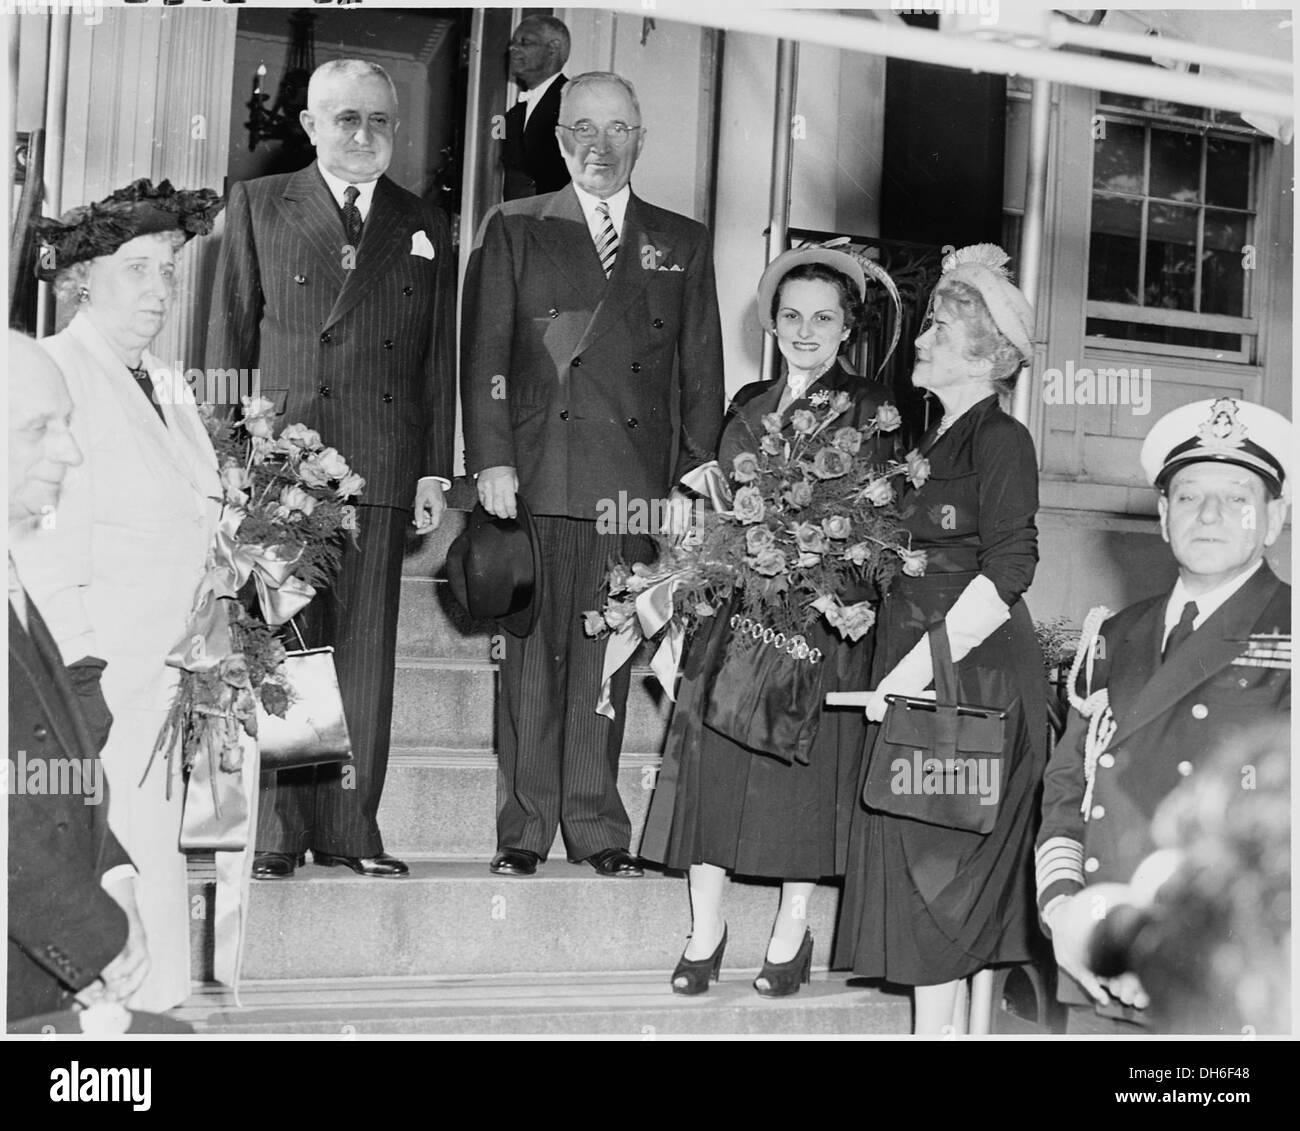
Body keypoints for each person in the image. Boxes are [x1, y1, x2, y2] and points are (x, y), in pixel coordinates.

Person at [462, 71, 725, 879]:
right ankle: (526, 824)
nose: (597, 145)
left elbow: (699, 371)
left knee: (609, 652)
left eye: (616, 129)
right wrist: (492, 457)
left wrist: (692, 479)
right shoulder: (515, 226)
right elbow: (487, 357)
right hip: (538, 471)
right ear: (558, 137)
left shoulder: (681, 240)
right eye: (581, 127)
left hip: (633, 483)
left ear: (640, 140)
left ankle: (596, 821)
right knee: (532, 654)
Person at [206, 59, 457, 880]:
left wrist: (430, 469)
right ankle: (278, 829)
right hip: (284, 463)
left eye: (380, 120)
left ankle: (352, 827)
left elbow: (434, 358)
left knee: (365, 648)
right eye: (345, 119)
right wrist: (227, 460)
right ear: (310, 126)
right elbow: (229, 340)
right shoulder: (257, 205)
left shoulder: (425, 220)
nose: (363, 134)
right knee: (280, 641)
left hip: (382, 459)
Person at [638, 247, 900, 995]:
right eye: (791, 317)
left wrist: (820, 579)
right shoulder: (749, 403)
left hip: (814, 619)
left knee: (797, 785)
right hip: (733, 613)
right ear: (772, 323)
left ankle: (791, 931)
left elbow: (877, 518)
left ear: (847, 327)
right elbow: (718, 508)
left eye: (823, 318)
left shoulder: (869, 406)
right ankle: (707, 929)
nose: (805, 331)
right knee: (713, 771)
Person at [12, 182, 224, 1013]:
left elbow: (196, 505)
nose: (160, 290)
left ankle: (156, 1019)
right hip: (104, 686)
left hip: (177, 681)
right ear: (82, 279)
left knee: (163, 867)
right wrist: (79, 683)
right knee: (114, 880)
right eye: (136, 269)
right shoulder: (56, 371)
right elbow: (41, 548)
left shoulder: (167, 380)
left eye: (169, 270)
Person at [833, 244, 1047, 1034]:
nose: (917, 341)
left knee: (943, 875)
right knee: (935, 879)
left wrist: (913, 671)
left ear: (985, 352)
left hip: (973, 691)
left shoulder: (1000, 440)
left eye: (935, 329)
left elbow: (1008, 572)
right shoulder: (928, 445)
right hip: (931, 682)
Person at [1036, 396, 1291, 1034]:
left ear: (1274, 518)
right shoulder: (1113, 636)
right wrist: (1066, 912)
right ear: (1162, 515)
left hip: (1229, 978)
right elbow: (1068, 787)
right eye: (1187, 496)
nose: (1208, 514)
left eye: (1236, 497)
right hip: (1096, 962)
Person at [503, 15, 571, 201]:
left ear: (552, 49)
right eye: (513, 42)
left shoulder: (576, 101)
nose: (512, 48)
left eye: (525, 42)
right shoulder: (512, 115)